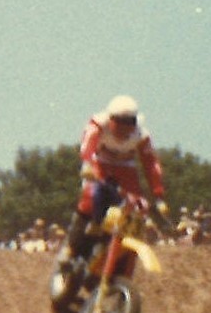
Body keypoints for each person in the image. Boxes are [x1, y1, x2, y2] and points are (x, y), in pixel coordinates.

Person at [59, 95, 166, 264]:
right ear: (110, 119)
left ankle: (120, 253)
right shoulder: (98, 124)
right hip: (101, 163)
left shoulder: (141, 135)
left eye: (128, 123)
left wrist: (158, 193)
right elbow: (88, 145)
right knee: (90, 198)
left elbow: (151, 163)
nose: (124, 129)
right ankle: (71, 248)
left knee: (137, 206)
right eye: (119, 123)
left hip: (126, 167)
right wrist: (87, 164)